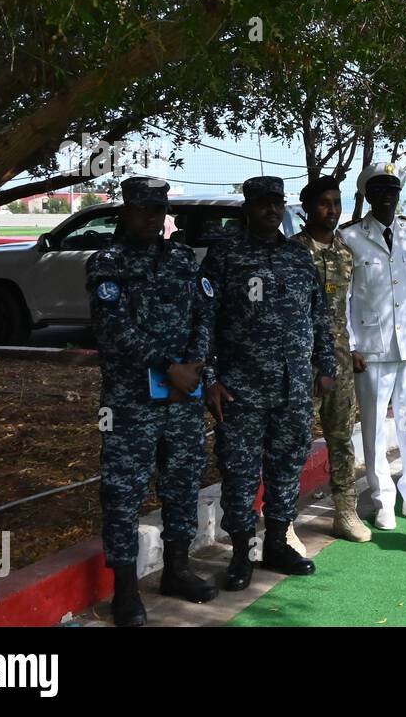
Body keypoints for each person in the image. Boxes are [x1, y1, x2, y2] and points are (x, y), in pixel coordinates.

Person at [87, 176, 218, 626]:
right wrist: (169, 365)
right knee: (123, 492)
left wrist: (195, 365)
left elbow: (204, 314)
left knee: (182, 483)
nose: (149, 216)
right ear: (124, 210)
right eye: (141, 208)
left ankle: (177, 570)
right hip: (129, 403)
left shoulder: (182, 258)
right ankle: (125, 592)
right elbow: (113, 330)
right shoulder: (108, 262)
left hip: (182, 397)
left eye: (156, 209)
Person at [201, 176, 339, 591]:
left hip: (293, 387)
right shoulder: (225, 255)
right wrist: (209, 378)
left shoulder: (297, 256)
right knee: (240, 472)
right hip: (241, 389)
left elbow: (319, 314)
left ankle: (277, 543)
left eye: (277, 203)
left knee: (286, 467)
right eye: (263, 203)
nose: (272, 210)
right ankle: (242, 552)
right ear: (247, 207)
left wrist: (326, 365)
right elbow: (203, 319)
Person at [339, 162, 406, 529]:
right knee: (375, 428)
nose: (386, 197)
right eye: (378, 191)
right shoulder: (350, 237)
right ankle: (384, 502)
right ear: (366, 195)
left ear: (398, 195)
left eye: (392, 191)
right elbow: (344, 297)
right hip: (371, 347)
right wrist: (350, 345)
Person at [290, 175, 371, 542]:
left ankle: (345, 513)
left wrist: (354, 347)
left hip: (337, 359)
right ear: (307, 208)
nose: (333, 210)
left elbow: (351, 305)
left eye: (336, 203)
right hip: (297, 361)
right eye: (324, 203)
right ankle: (284, 521)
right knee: (292, 441)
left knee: (341, 439)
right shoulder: (291, 252)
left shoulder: (344, 252)